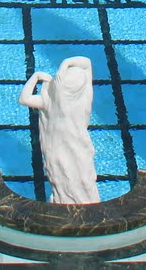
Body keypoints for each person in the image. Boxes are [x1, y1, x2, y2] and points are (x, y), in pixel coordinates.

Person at [19, 57, 100, 204]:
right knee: (84, 180)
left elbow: (24, 99)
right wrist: (66, 63)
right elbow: (87, 63)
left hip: (57, 151)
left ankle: (63, 203)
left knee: (63, 178)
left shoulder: (48, 101)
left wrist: (35, 76)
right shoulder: (83, 100)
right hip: (80, 149)